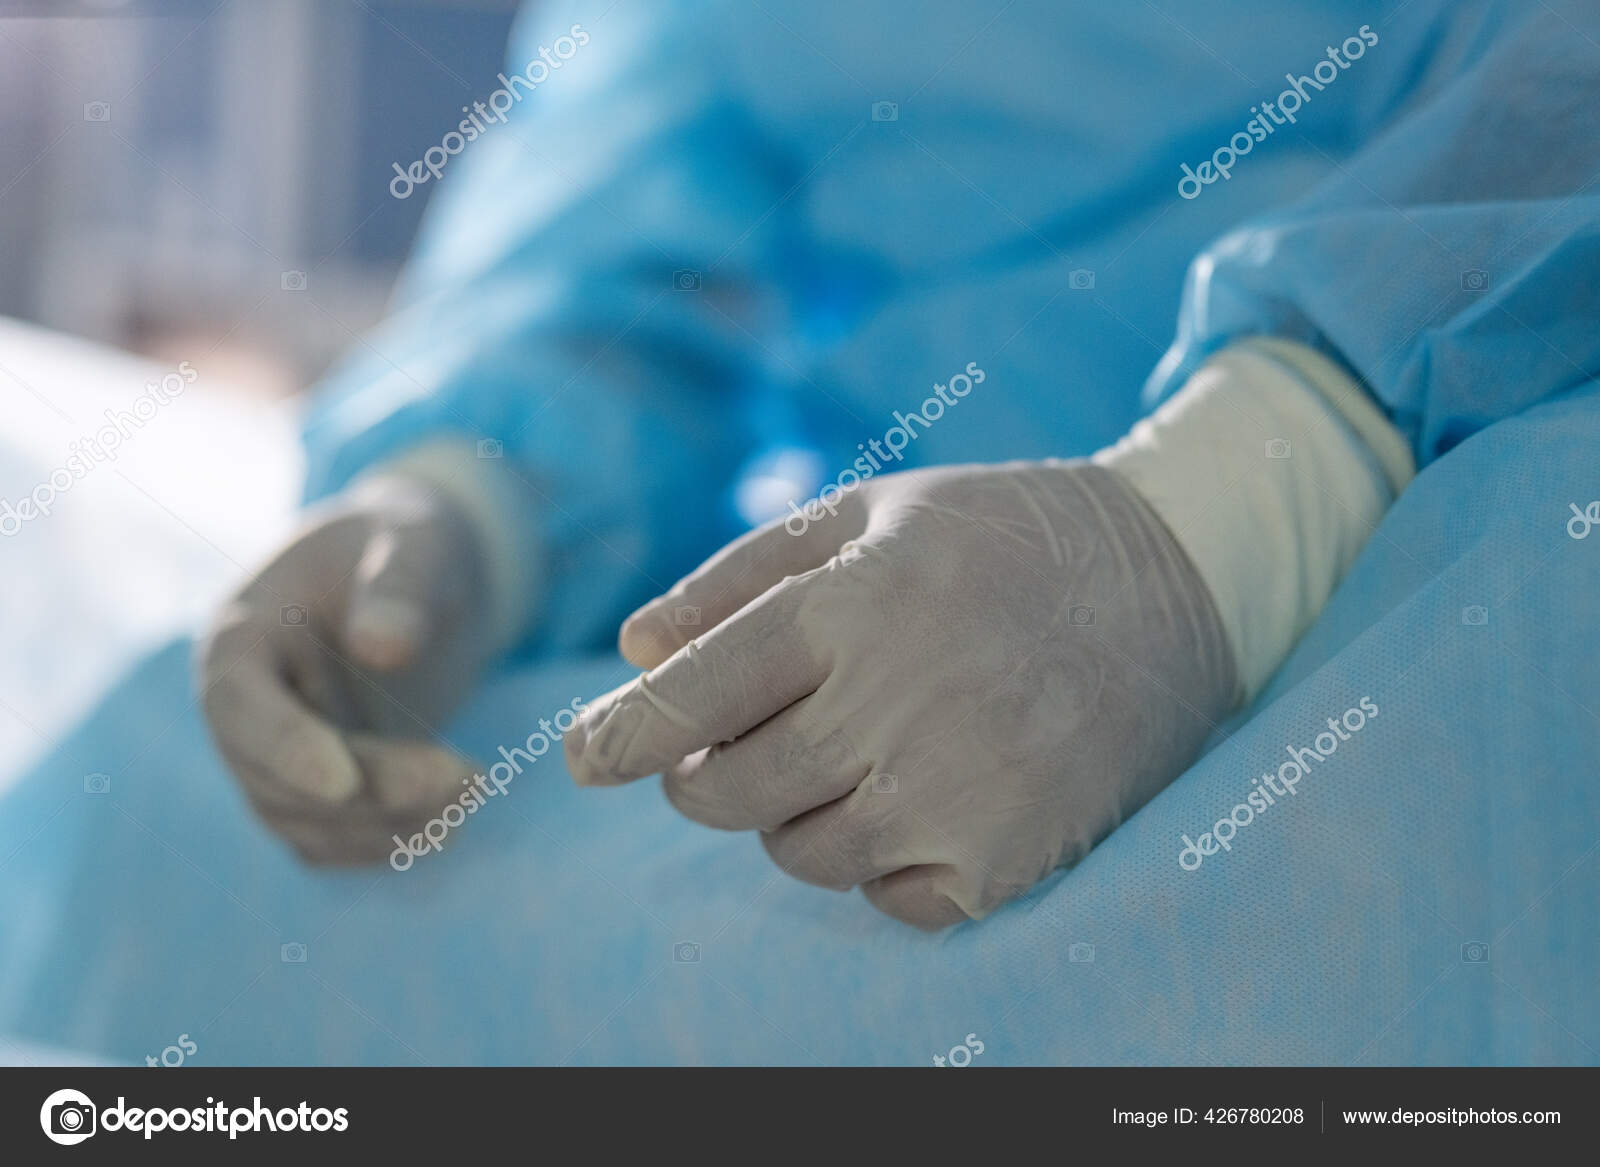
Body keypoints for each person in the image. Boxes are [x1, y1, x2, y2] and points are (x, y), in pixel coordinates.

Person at [199, 0, 1600, 929]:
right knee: (188, 790)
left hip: (1479, 483)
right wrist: (465, 503)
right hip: (903, 651)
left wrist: (1258, 488)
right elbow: (622, 225)